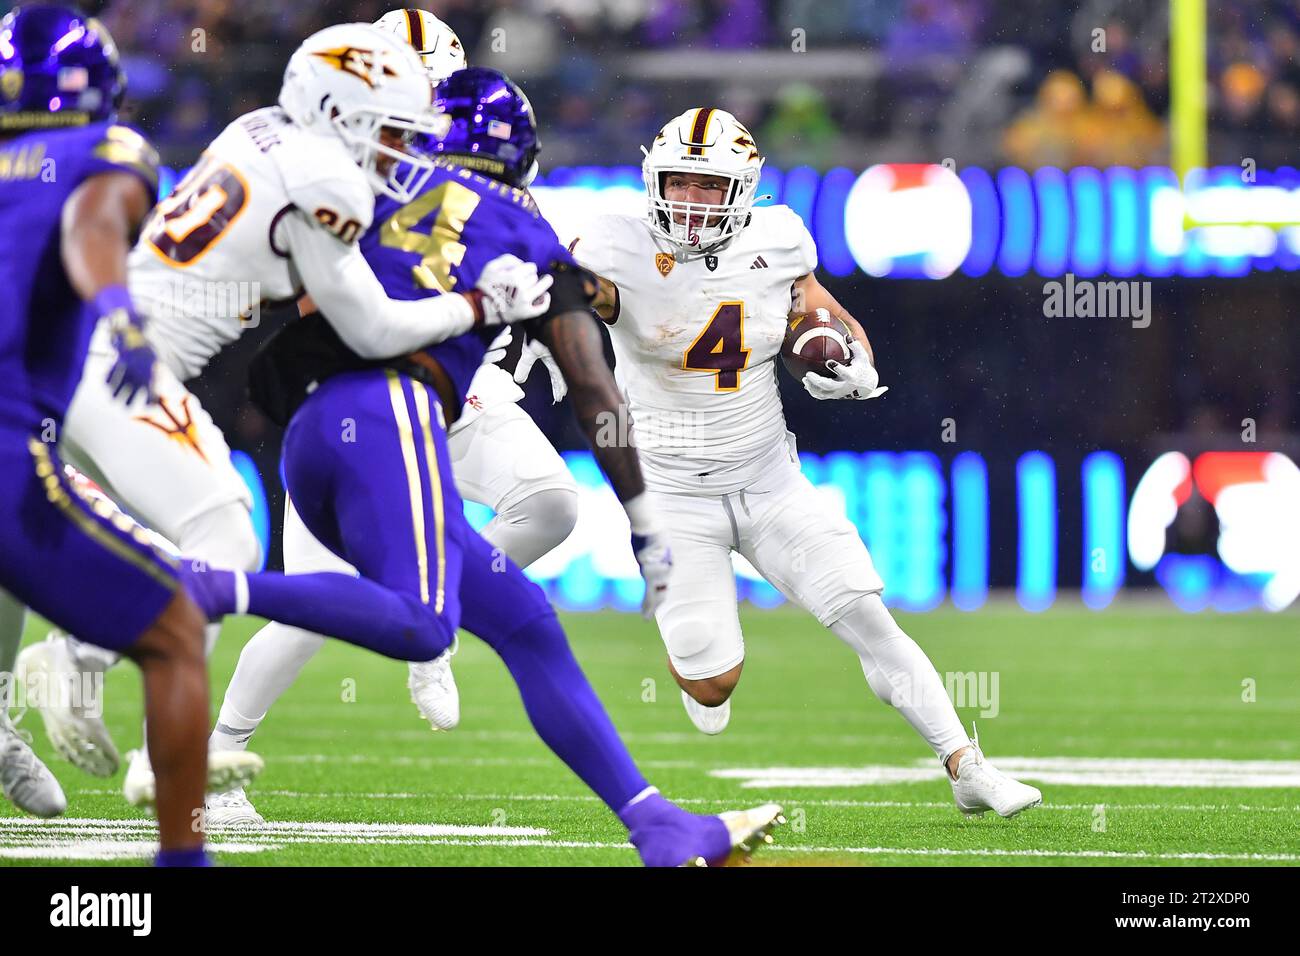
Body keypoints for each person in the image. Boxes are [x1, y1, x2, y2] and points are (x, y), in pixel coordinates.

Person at [182, 69, 783, 865]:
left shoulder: (368, 190)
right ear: (523, 159)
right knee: (423, 623)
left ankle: (659, 827)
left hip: (323, 431)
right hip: (391, 419)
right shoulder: (525, 230)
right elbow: (595, 392)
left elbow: (264, 284)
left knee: (528, 624)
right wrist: (643, 514)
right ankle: (194, 586)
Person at [15, 20, 550, 807]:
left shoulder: (255, 128)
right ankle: (142, 723)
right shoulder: (327, 181)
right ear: (344, 110)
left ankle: (79, 664)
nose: (404, 145)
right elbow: (370, 326)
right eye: (391, 124)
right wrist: (474, 305)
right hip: (128, 359)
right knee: (227, 531)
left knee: (76, 529)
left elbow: (248, 270)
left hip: (70, 350)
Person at [567, 107, 1043, 818]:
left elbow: (823, 316)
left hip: (768, 479)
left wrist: (851, 360)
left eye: (708, 186)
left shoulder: (779, 237)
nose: (690, 202)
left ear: (744, 190)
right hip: (671, 493)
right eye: (679, 184)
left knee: (867, 616)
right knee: (711, 683)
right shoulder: (616, 245)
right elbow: (574, 299)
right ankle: (684, 639)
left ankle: (967, 766)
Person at [0, 4, 260, 863]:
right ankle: (178, 850)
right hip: (84, 380)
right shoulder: (107, 152)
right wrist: (119, 309)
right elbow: (91, 231)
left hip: (43, 403)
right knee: (186, 604)